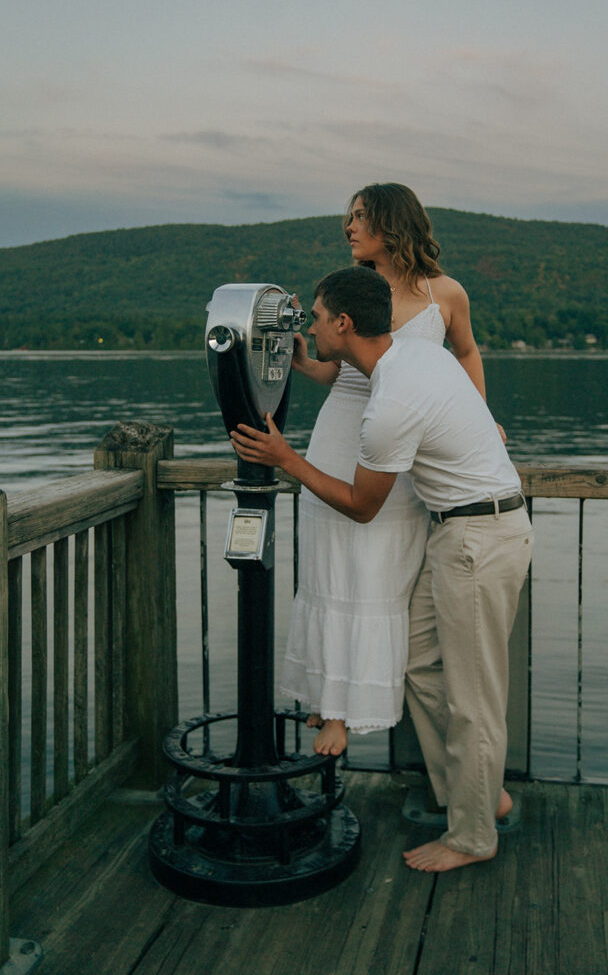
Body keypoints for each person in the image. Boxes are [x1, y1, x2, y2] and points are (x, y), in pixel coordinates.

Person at [231, 266, 534, 872]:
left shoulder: (392, 401)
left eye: (315, 318)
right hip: (461, 532)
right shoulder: (415, 360)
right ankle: (472, 794)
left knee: (474, 698)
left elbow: (363, 507)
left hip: (479, 538)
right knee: (420, 662)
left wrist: (285, 458)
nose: (309, 326)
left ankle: (473, 837)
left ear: (343, 324)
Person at [283, 184, 493, 757]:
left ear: (391, 223)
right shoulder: (352, 291)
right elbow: (341, 373)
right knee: (329, 571)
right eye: (348, 218)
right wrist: (305, 361)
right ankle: (331, 706)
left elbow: (467, 353)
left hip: (398, 455)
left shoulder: (444, 293)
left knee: (381, 577)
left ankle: (358, 702)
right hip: (338, 436)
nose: (348, 227)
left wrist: (481, 416)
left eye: (359, 217)